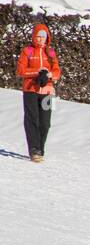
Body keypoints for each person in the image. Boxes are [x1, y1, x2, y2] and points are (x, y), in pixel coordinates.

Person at [15, 23, 61, 163]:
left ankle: (40, 148)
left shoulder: (51, 52)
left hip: (48, 91)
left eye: (44, 36)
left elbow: (57, 72)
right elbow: (20, 71)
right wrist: (37, 72)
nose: (41, 39)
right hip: (30, 90)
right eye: (39, 36)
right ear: (34, 36)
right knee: (32, 119)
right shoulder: (27, 51)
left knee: (46, 123)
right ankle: (34, 150)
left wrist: (48, 74)